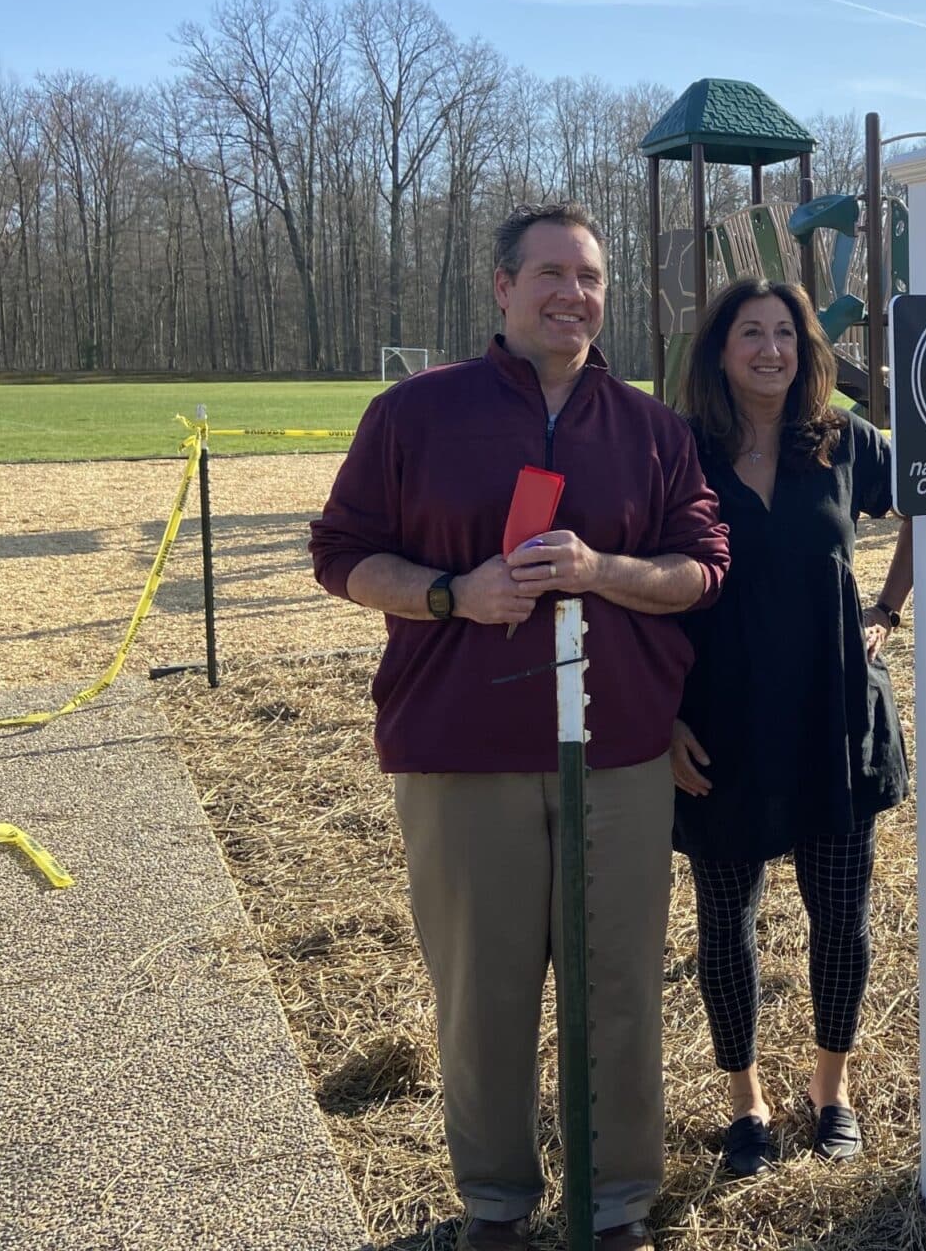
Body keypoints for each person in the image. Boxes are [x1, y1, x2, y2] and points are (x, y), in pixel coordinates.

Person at [309, 202, 730, 1251]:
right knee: (482, 993)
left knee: (618, 987)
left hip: (619, 755)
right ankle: (495, 1201)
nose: (571, 295)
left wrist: (600, 571)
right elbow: (340, 554)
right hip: (461, 751)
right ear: (502, 288)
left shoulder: (651, 430)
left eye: (589, 278)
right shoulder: (414, 415)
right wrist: (453, 594)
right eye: (550, 274)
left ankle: (617, 1199)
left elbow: (701, 569)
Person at [667, 278, 913, 1177]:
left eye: (786, 333)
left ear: (809, 349)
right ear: (720, 349)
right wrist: (662, 717)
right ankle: (746, 1104)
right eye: (751, 333)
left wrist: (886, 607)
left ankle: (829, 1089)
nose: (770, 349)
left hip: (834, 718)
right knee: (725, 920)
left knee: (841, 918)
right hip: (717, 723)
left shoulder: (845, 440)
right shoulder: (680, 450)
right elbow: (641, 589)